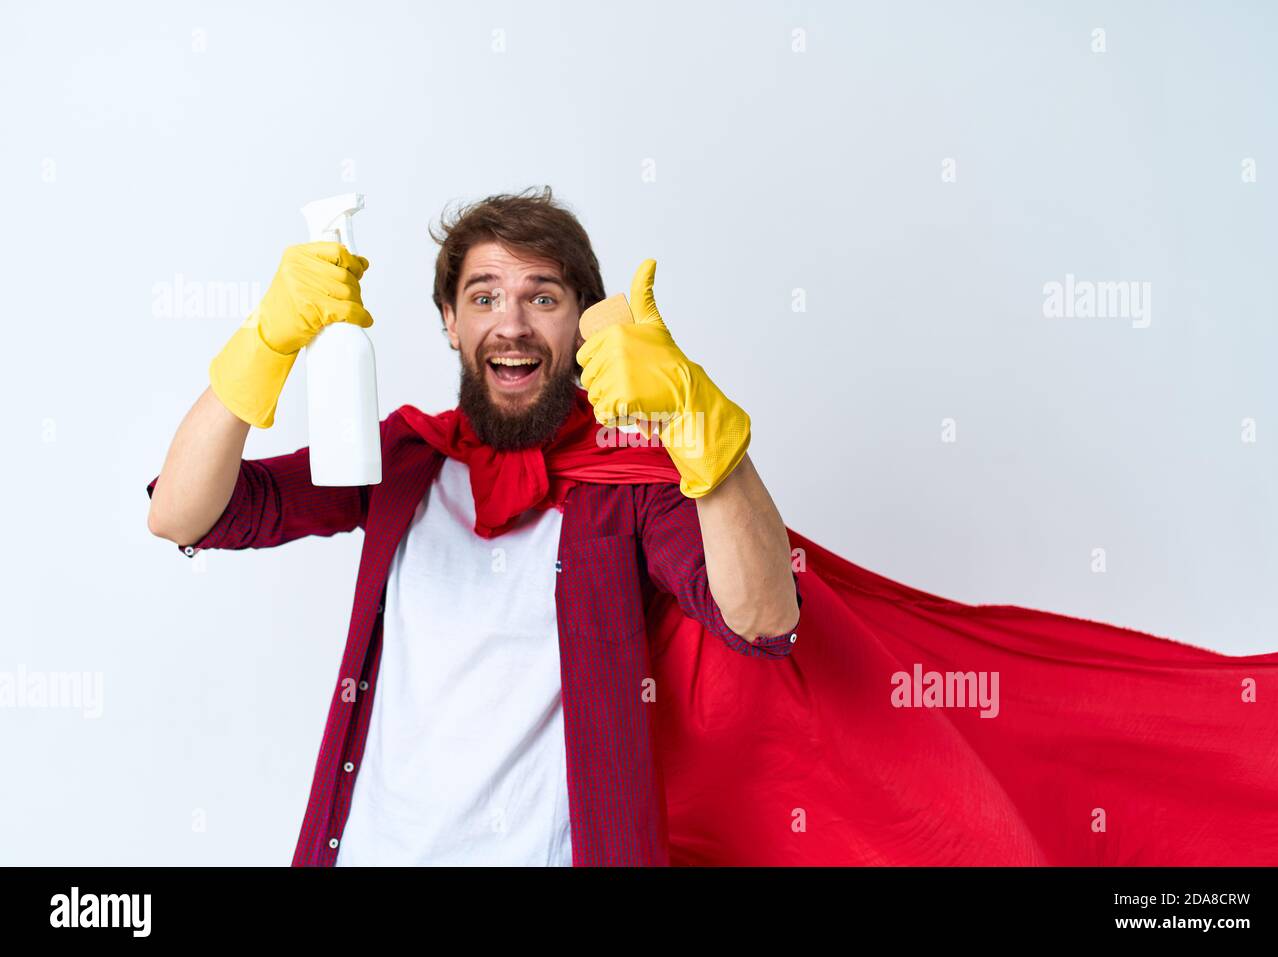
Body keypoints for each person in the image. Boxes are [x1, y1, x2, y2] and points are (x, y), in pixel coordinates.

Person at [145, 186, 802, 866]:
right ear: (450, 321)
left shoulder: (631, 481)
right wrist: (264, 340)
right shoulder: (403, 459)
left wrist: (700, 426)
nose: (511, 324)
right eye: (484, 296)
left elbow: (762, 616)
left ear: (583, 323)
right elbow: (181, 513)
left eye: (543, 297)